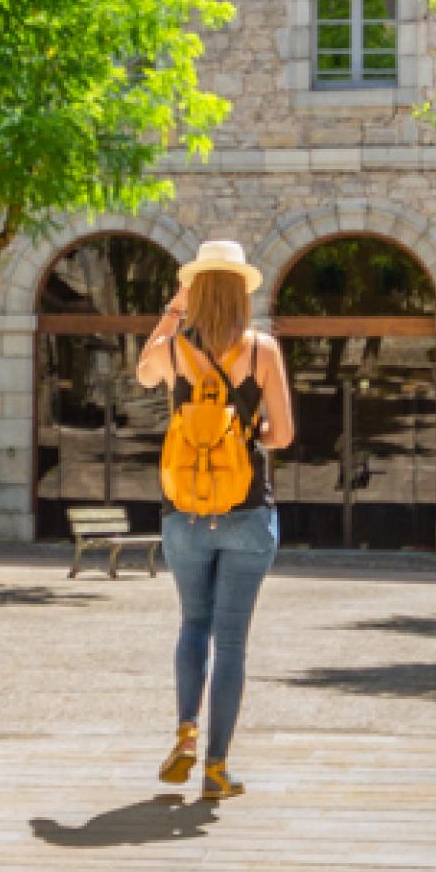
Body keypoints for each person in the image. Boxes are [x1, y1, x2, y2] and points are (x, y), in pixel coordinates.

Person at [135, 240, 295, 800]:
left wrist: (173, 310)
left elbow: (143, 373)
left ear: (197, 290)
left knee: (191, 626)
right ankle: (217, 769)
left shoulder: (176, 349)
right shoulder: (262, 351)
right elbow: (285, 434)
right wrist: (245, 436)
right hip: (247, 511)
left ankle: (184, 729)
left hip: (184, 514)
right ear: (243, 292)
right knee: (231, 644)